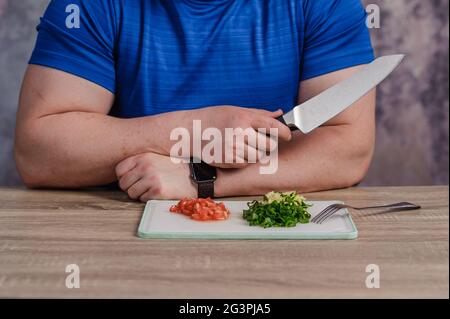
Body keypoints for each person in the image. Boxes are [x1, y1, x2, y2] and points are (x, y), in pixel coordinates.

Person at [15, 0, 376, 201]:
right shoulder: (86, 6)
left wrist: (201, 178)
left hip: (276, 230)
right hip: (124, 227)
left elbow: (349, 148)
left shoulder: (326, 4)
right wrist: (192, 129)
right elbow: (38, 152)